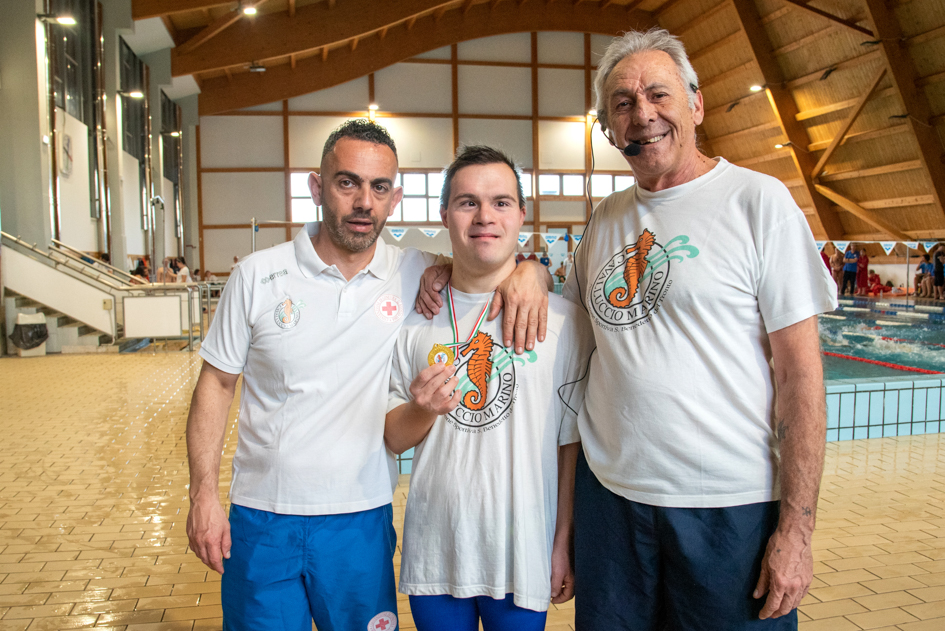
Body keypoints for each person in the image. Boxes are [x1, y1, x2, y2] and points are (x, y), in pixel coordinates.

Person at [186, 120, 549, 631]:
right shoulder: (257, 276)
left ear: (395, 199)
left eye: (379, 188)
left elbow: (485, 259)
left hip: (361, 517)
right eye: (347, 183)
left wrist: (534, 272)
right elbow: (217, 384)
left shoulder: (413, 269)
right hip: (263, 515)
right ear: (317, 188)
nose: (364, 202)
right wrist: (202, 494)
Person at [565, 28, 837, 630]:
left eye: (658, 94)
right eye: (623, 103)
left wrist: (796, 530)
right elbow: (569, 334)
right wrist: (525, 276)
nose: (643, 115)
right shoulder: (606, 218)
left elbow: (800, 376)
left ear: (696, 104)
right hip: (611, 500)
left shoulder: (758, 202)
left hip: (728, 510)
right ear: (608, 129)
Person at [385, 146, 594, 630]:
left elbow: (569, 445)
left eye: (501, 202)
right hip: (436, 552)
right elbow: (394, 437)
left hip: (523, 552)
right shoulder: (415, 319)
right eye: (467, 203)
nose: (484, 216)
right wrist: (423, 408)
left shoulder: (565, 323)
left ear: (521, 214)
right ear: (444, 215)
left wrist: (563, 541)